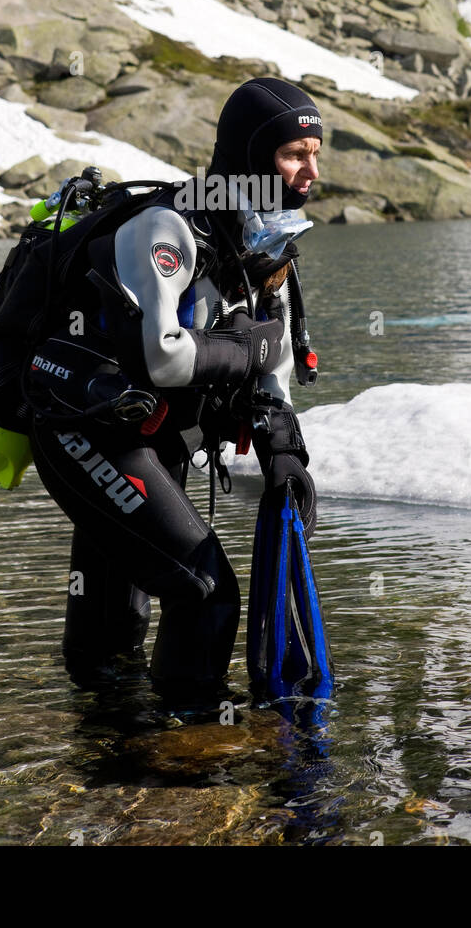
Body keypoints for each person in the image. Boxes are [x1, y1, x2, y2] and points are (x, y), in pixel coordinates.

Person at [27, 77, 324, 708]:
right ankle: (191, 753)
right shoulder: (167, 229)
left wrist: (284, 451)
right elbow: (159, 355)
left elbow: (272, 364)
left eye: (316, 154)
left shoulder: (263, 238)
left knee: (113, 635)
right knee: (204, 590)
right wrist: (251, 351)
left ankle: (108, 753)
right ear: (250, 155)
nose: (310, 171)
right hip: (83, 424)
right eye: (295, 154)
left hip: (149, 435)